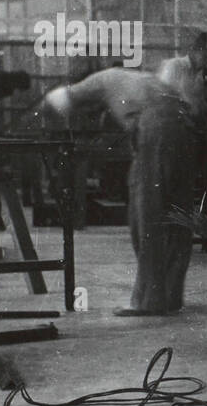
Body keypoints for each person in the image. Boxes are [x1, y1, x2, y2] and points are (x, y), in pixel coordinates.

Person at [41, 68, 197, 316]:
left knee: (147, 215)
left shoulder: (98, 81)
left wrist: (48, 117)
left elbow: (61, 100)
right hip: (185, 128)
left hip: (155, 127)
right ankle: (170, 295)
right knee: (177, 216)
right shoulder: (135, 79)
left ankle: (149, 301)